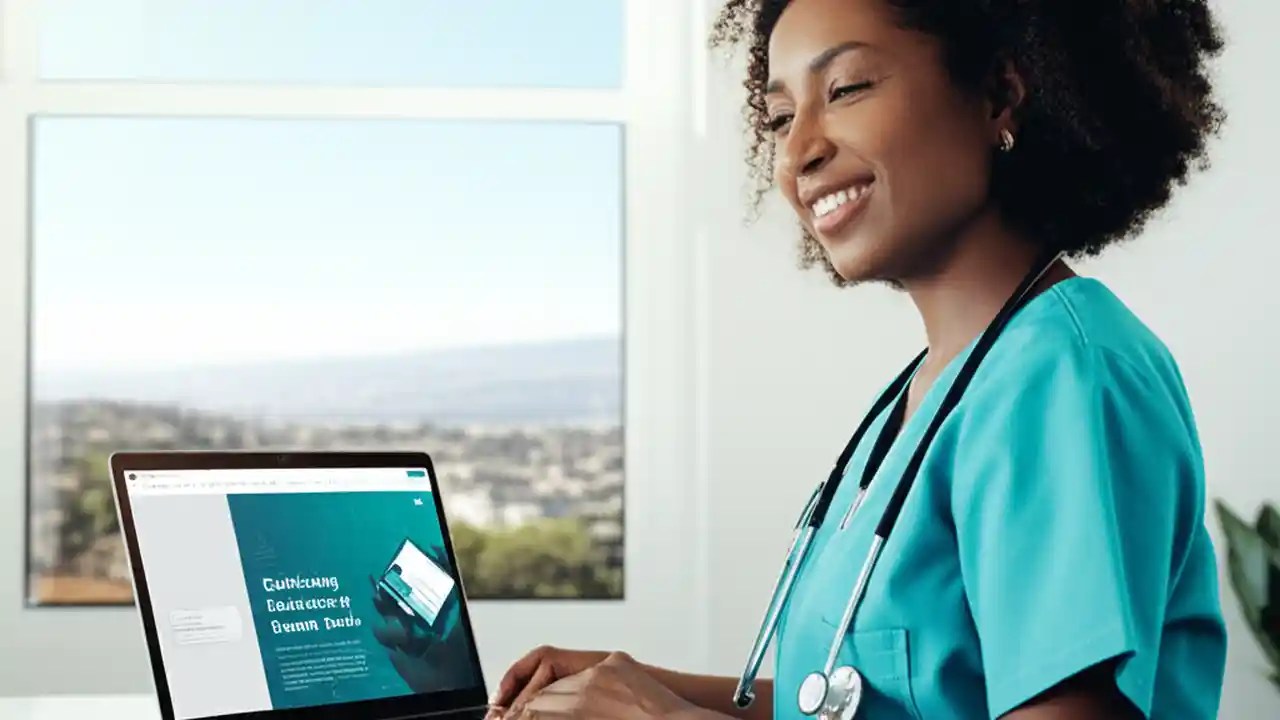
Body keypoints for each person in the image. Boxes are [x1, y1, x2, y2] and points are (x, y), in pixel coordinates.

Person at [489, 0, 1229, 717]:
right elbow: (866, 705)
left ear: (999, 94)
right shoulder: (931, 388)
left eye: (844, 90)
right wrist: (634, 685)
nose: (798, 150)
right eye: (780, 117)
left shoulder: (1064, 376)